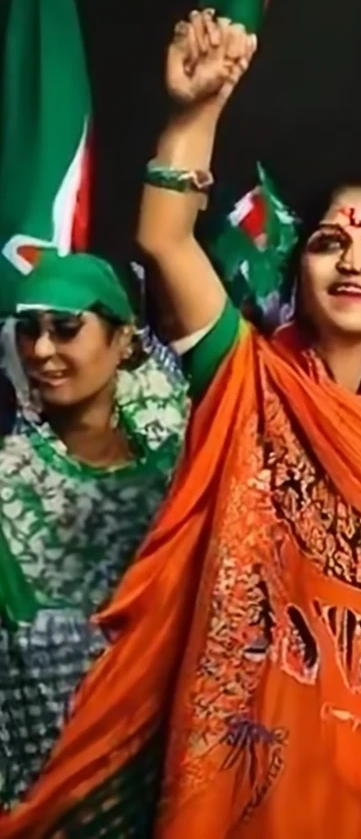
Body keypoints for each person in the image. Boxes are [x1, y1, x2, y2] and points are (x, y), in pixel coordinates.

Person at [0, 10, 361, 839]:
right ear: (299, 270)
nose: (353, 260)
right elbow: (164, 239)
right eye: (329, 243)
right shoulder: (244, 376)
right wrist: (192, 116)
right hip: (257, 750)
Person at [0, 251, 187, 813]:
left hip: (166, 783)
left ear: (124, 339)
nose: (41, 351)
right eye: (29, 330)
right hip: (44, 795)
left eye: (66, 329)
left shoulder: (182, 469)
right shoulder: (9, 483)